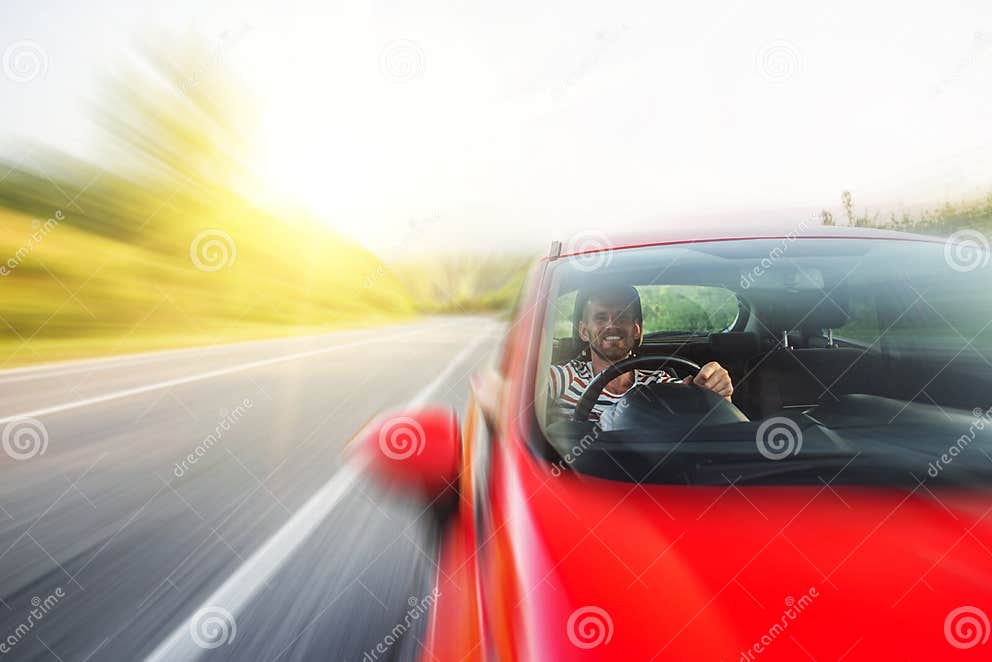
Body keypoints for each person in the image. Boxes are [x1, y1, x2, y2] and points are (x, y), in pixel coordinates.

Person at [549, 284, 734, 423]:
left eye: (621, 317)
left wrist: (716, 395)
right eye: (601, 317)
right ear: (583, 331)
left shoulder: (658, 382)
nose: (612, 325)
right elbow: (524, 392)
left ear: (636, 330)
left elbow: (711, 423)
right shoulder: (565, 377)